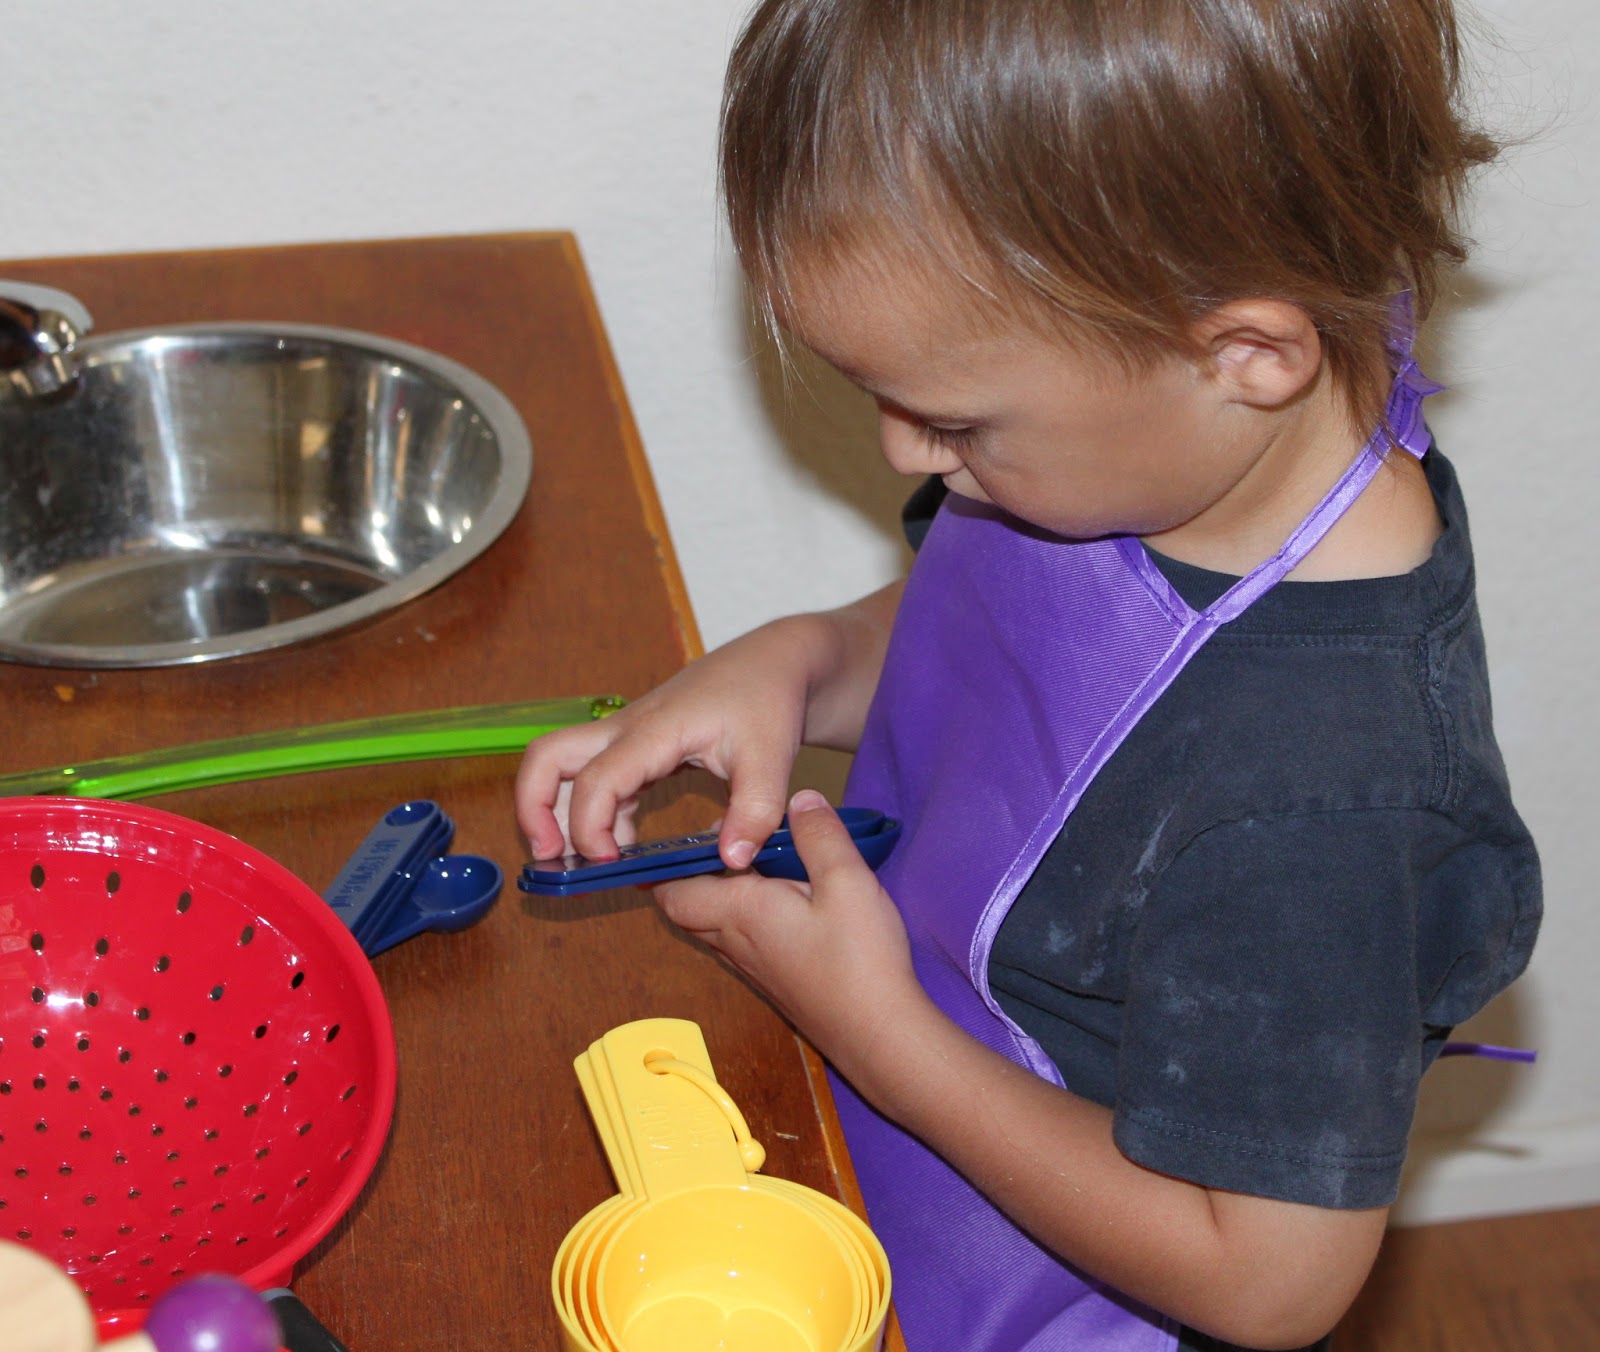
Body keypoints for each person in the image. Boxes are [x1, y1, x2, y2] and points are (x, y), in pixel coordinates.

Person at [517, 1, 1542, 1348]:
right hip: (863, 1119)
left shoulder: (1326, 810)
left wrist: (881, 1038)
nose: (900, 455)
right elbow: (1001, 642)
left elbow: (1270, 1283)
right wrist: (801, 665)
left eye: (950, 420)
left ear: (1246, 354)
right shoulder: (1146, 452)